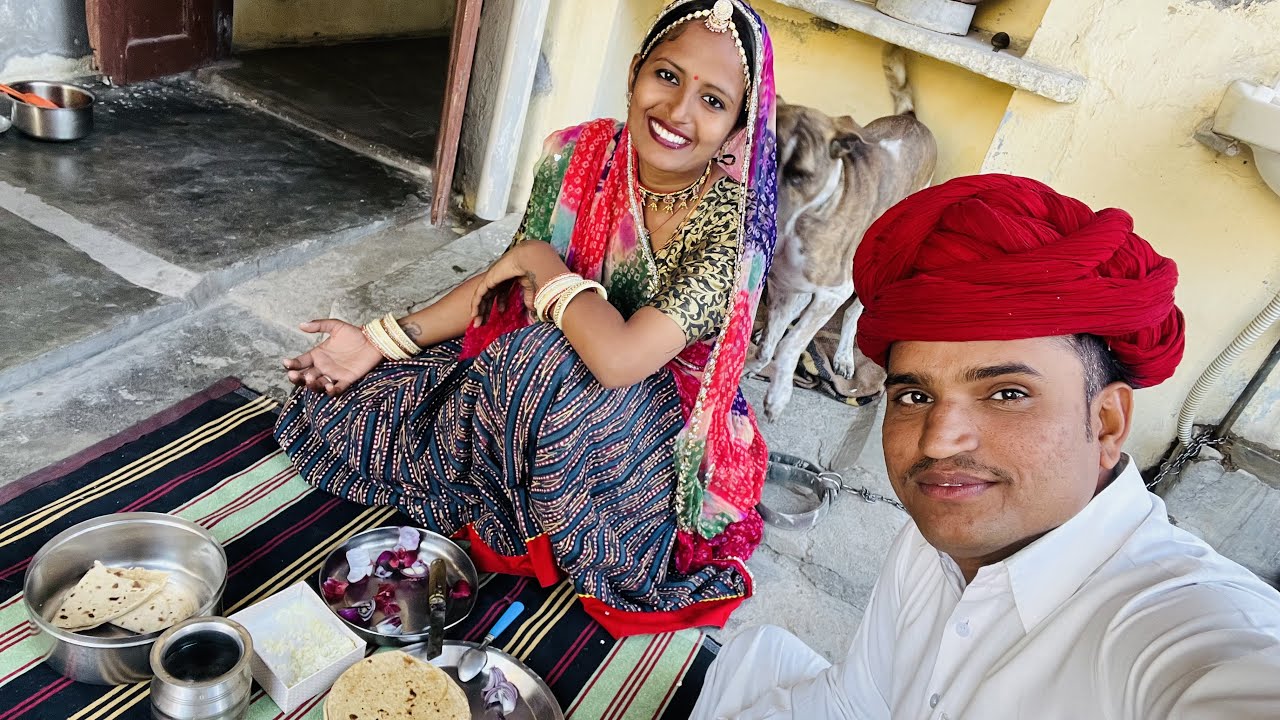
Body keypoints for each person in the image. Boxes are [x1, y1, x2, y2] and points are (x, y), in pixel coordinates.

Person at [272, 0, 778, 637]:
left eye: (713, 100)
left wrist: (544, 264)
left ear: (738, 123)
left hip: (654, 416)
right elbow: (509, 282)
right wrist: (382, 338)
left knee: (541, 359)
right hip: (544, 367)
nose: (677, 112)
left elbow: (619, 359)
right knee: (363, 403)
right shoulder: (577, 153)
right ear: (634, 73)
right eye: (668, 76)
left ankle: (528, 519)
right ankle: (509, 477)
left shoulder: (732, 233)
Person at [691, 174, 1280, 718]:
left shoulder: (1183, 629)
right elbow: (856, 701)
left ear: (1105, 421)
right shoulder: (934, 544)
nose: (939, 440)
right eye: (915, 396)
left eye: (1005, 394)